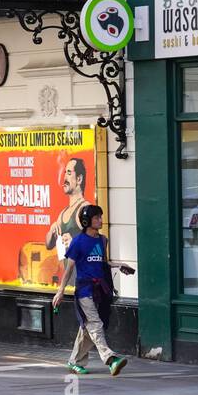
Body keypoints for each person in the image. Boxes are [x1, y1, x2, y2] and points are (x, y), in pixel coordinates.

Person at [53, 204, 128, 376]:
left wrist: (119, 265)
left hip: (99, 290)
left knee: (88, 328)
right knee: (95, 323)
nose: (101, 220)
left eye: (101, 217)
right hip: (84, 291)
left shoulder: (102, 240)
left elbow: (103, 262)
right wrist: (61, 291)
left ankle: (74, 362)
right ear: (87, 221)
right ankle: (111, 359)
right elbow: (69, 268)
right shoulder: (78, 242)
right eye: (97, 218)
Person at [46, 157, 90, 260]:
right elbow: (49, 245)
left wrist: (74, 243)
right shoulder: (63, 213)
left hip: (83, 275)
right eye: (65, 172)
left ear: (79, 179)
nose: (65, 178)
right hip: (68, 275)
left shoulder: (85, 208)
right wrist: (52, 230)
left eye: (69, 173)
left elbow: (95, 246)